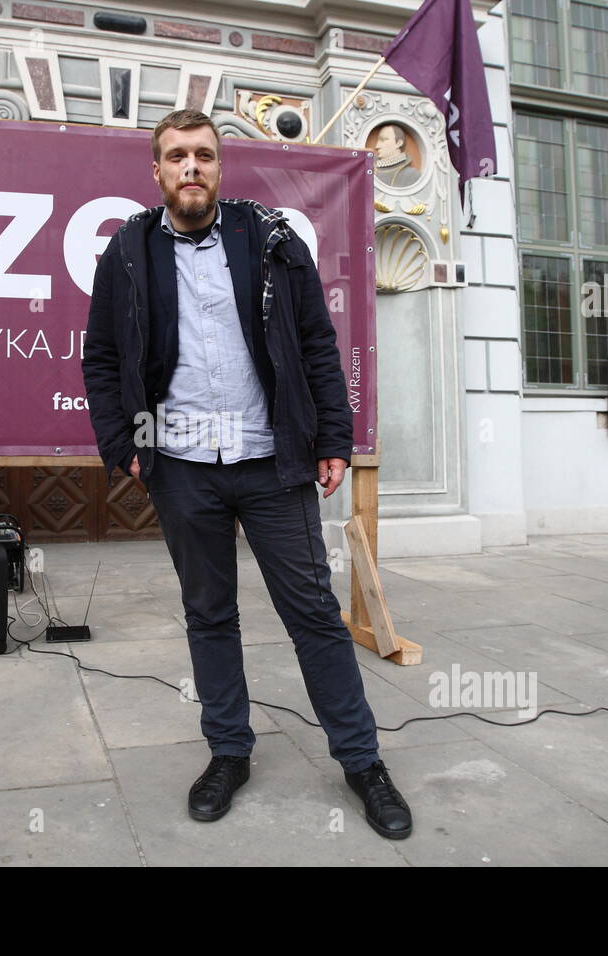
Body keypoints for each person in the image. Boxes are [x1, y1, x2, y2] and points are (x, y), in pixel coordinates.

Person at [82, 109, 411, 840]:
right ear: (157, 171)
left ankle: (362, 763)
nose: (190, 167)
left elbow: (316, 343)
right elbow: (102, 359)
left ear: (219, 167)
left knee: (314, 617)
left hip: (271, 463)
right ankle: (229, 752)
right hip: (182, 468)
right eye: (176, 157)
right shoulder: (128, 251)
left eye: (202, 155)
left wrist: (333, 436)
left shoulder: (270, 238)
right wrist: (125, 442)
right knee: (209, 615)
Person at [372, 124, 420, 189]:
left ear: (399, 143)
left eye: (383, 140)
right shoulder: (370, 169)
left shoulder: (412, 175)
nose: (377, 146)